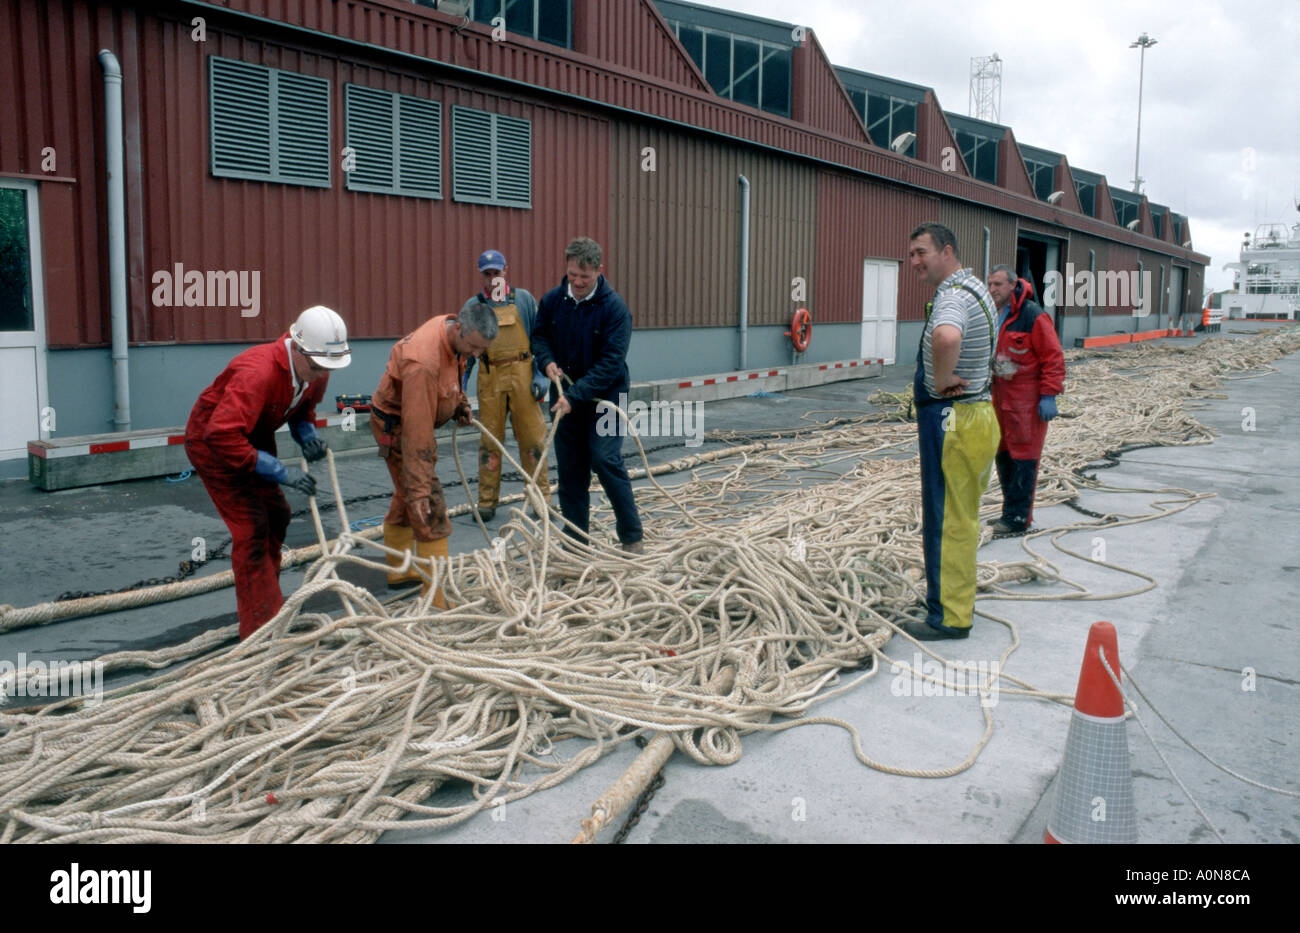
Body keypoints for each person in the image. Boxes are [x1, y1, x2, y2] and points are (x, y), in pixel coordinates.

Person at [185, 305, 350, 640]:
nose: (321, 375)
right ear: (299, 348)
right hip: (215, 443)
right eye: (317, 367)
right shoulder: (257, 372)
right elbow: (220, 434)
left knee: (277, 515)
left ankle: (264, 595)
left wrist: (307, 436)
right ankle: (260, 632)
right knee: (252, 529)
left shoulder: (316, 367)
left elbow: (303, 409)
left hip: (252, 435)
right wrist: (277, 470)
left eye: (327, 368)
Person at [902, 223, 1000, 641]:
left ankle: (948, 618)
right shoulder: (977, 288)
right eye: (911, 254)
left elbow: (946, 336)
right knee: (960, 517)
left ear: (947, 250)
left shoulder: (954, 298)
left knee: (947, 521)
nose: (914, 262)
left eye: (921, 252)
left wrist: (941, 380)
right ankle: (951, 602)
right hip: (975, 416)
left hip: (952, 420)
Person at [370, 304, 496, 606]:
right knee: (429, 506)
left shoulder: (455, 336)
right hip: (399, 428)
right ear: (459, 331)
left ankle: (398, 574)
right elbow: (417, 437)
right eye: (473, 348)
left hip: (413, 421)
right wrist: (421, 491)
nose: (476, 355)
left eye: (481, 350)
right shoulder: (422, 364)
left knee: (405, 498)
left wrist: (459, 403)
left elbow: (451, 375)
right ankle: (437, 601)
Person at [531, 236, 644, 554]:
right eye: (572, 276)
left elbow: (611, 363)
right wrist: (546, 360)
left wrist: (575, 396)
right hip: (566, 396)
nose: (578, 283)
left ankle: (632, 537)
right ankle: (576, 540)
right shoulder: (553, 300)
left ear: (599, 271)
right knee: (570, 468)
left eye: (585, 277)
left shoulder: (615, 309)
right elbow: (539, 336)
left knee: (605, 459)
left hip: (607, 396)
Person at [460, 250, 552, 522]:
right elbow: (464, 354)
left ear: (506, 271)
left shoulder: (523, 300)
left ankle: (540, 499)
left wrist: (540, 378)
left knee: (533, 439)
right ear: (481, 276)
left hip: (523, 375)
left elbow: (540, 341)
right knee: (489, 442)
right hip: (490, 377)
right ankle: (487, 502)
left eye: (496, 273)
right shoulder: (473, 306)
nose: (492, 279)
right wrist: (459, 391)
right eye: (487, 274)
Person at [985, 265, 1066, 535]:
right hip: (1000, 398)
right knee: (1004, 454)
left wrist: (1049, 395)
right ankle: (1009, 514)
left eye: (997, 284)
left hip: (1026, 402)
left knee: (1024, 457)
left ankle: (1019, 519)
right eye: (990, 284)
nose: (993, 289)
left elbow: (1053, 358)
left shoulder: (1033, 317)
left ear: (1012, 285)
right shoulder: (995, 314)